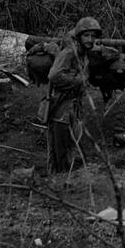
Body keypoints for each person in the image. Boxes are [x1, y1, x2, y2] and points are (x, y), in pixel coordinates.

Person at [46, 16, 107, 174]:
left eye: (93, 36)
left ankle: (68, 180)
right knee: (60, 151)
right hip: (61, 107)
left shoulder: (83, 53)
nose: (90, 39)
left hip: (74, 106)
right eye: (86, 35)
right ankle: (59, 181)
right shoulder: (68, 53)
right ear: (79, 36)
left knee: (73, 147)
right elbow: (54, 75)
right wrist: (78, 81)